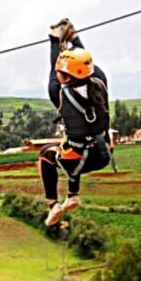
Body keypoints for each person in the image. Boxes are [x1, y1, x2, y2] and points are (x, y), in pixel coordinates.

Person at [40, 18, 112, 226]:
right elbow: (87, 64)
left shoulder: (60, 95)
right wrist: (74, 38)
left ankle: (53, 205)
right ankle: (72, 195)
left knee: (46, 155)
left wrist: (54, 41)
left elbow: (54, 69)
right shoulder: (101, 81)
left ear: (67, 76)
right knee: (73, 146)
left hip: (79, 159)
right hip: (103, 154)